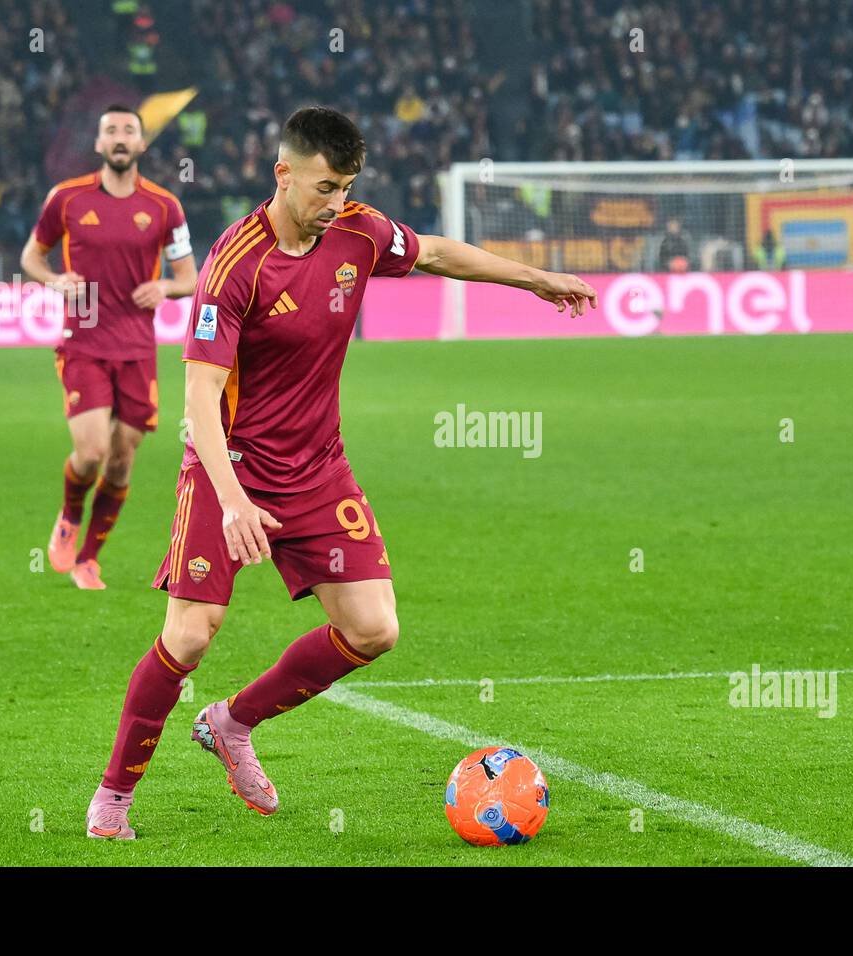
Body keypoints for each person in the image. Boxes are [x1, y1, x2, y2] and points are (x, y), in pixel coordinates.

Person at [85, 106, 596, 839]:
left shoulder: (357, 229)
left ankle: (231, 723)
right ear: (283, 174)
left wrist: (535, 279)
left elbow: (437, 254)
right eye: (324, 187)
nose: (335, 203)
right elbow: (198, 396)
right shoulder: (235, 263)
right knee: (193, 634)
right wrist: (232, 503)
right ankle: (114, 797)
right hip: (227, 466)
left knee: (372, 627)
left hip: (317, 467)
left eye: (346, 186)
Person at [21, 105, 197, 589]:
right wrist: (54, 279)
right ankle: (69, 516)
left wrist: (164, 288)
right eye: (111, 131)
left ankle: (89, 559)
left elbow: (190, 277)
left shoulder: (165, 207)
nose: (120, 138)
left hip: (137, 347)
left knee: (121, 460)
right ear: (98, 144)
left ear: (141, 145)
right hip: (84, 339)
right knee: (93, 449)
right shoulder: (67, 198)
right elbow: (31, 256)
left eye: (129, 131)